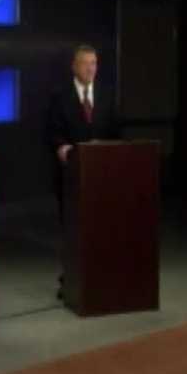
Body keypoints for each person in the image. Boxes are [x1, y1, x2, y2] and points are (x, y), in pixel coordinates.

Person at [45, 45, 119, 299]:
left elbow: (115, 132)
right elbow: (51, 132)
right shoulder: (59, 96)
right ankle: (71, 280)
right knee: (72, 229)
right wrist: (62, 147)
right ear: (74, 66)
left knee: (101, 227)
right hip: (70, 176)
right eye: (86, 63)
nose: (91, 68)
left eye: (94, 63)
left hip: (102, 176)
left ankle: (100, 276)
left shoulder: (108, 94)